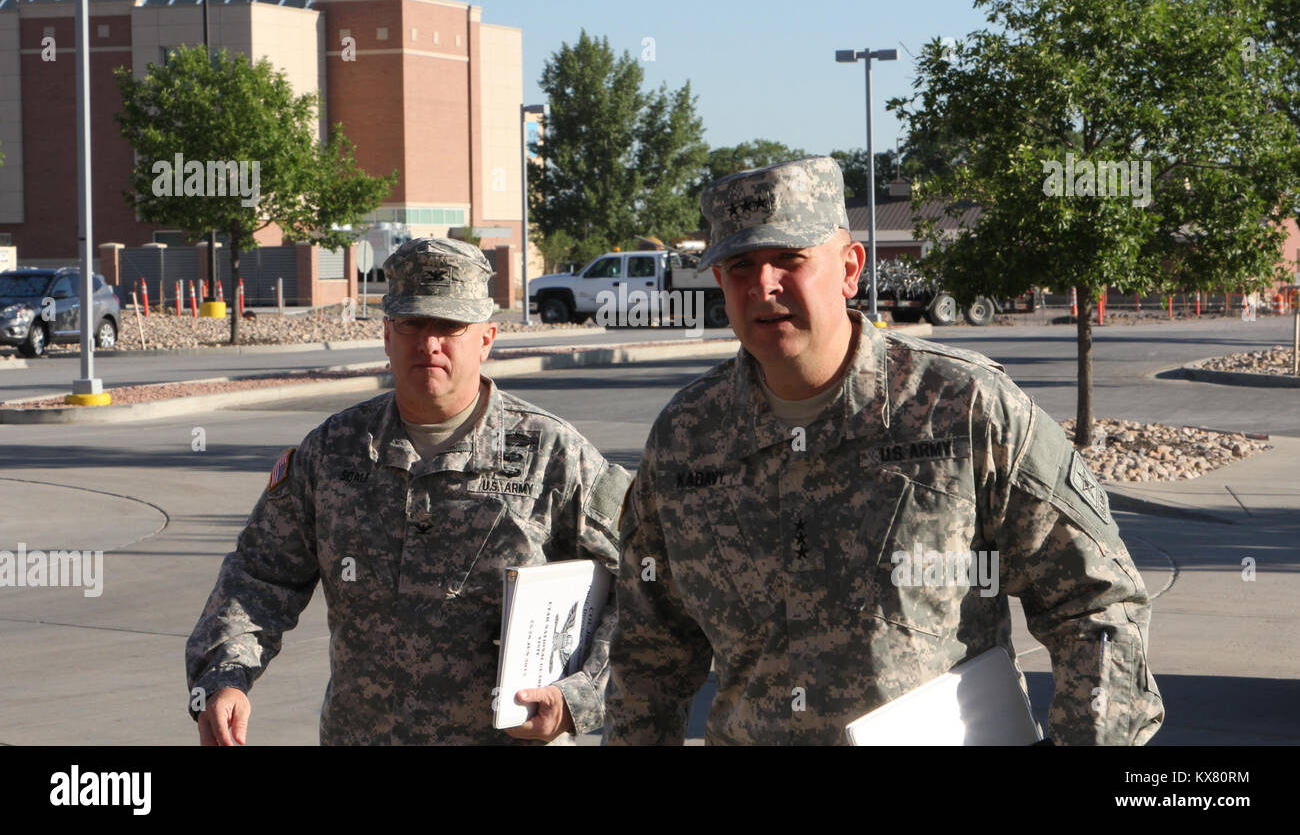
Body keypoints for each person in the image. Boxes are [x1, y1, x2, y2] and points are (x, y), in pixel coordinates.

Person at [605, 156, 1164, 745]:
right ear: (720, 283)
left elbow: (1098, 603)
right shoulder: (686, 438)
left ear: (849, 270)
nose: (763, 285)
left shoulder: (963, 407)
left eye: (790, 260)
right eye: (740, 265)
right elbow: (649, 655)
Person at [185, 237, 629, 745]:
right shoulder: (334, 450)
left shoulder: (554, 454)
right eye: (412, 324)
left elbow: (644, 583)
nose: (429, 343)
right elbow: (259, 576)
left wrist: (577, 698)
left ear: (486, 337)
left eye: (449, 326)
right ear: (387, 334)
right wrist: (225, 677)